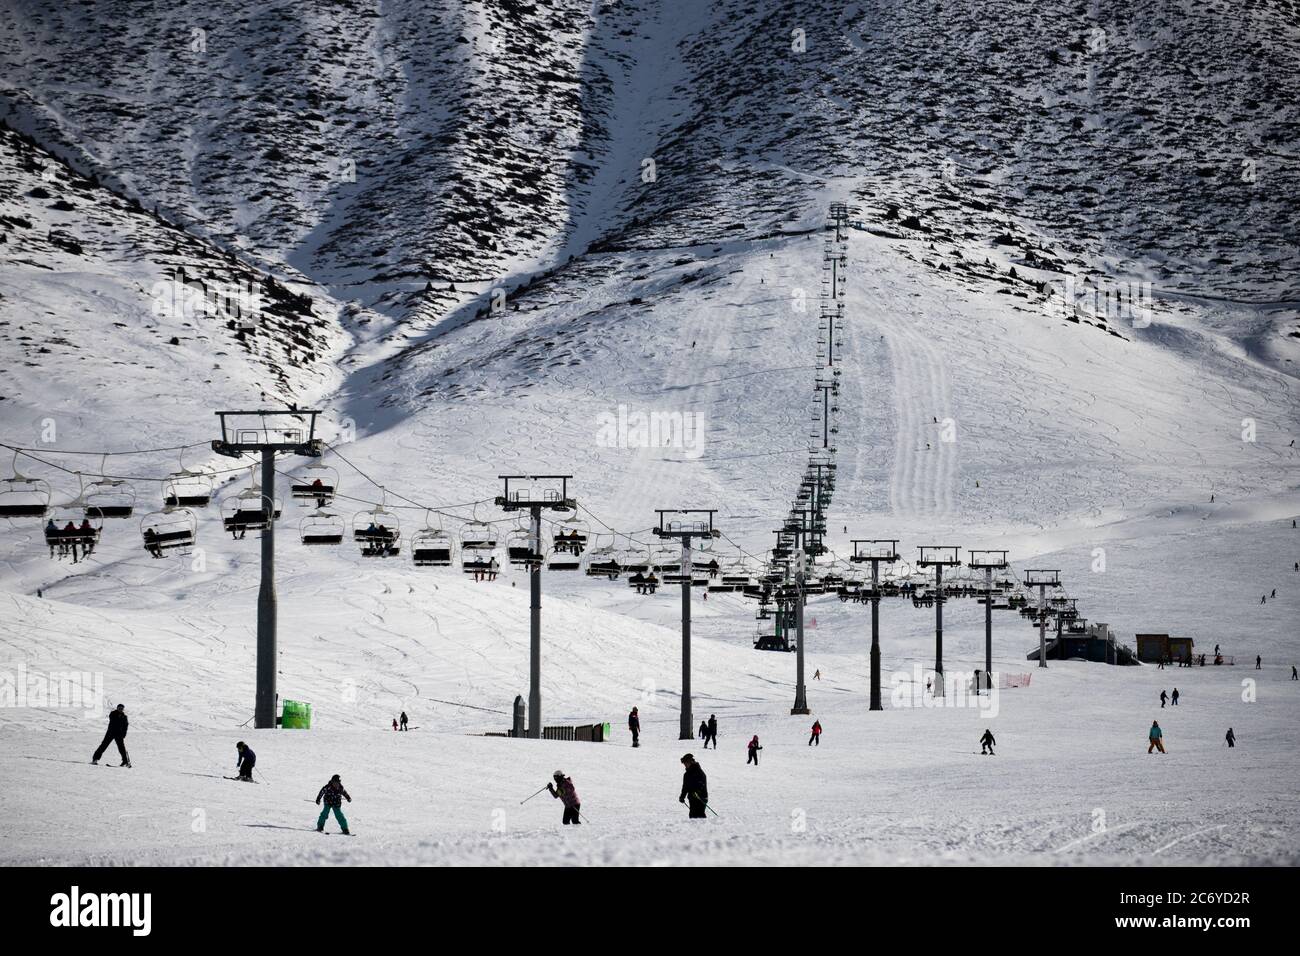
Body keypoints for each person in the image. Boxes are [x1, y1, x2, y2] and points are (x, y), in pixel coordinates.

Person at [679, 753, 708, 819]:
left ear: (691, 762)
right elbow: (685, 787)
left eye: (686, 763)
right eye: (684, 764)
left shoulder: (699, 771)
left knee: (699, 815)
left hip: (701, 798)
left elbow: (702, 784)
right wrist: (682, 796)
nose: (685, 765)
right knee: (692, 816)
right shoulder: (686, 774)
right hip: (692, 798)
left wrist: (697, 792)